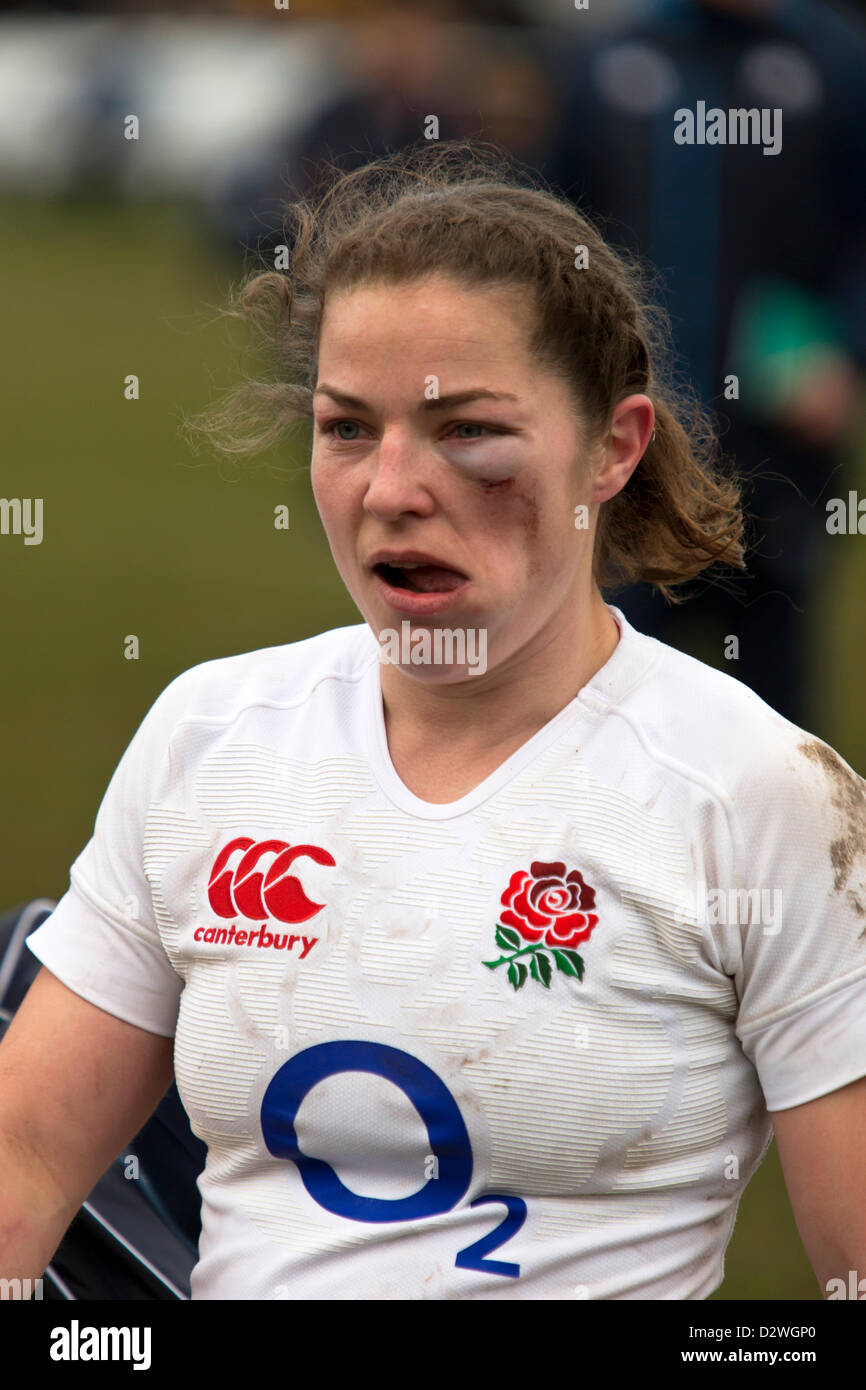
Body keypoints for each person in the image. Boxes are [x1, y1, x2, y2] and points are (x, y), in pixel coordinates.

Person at [2, 143, 865, 1300]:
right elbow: (27, 1162)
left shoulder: (757, 789)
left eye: (466, 431)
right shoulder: (211, 734)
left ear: (612, 448)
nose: (389, 487)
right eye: (346, 427)